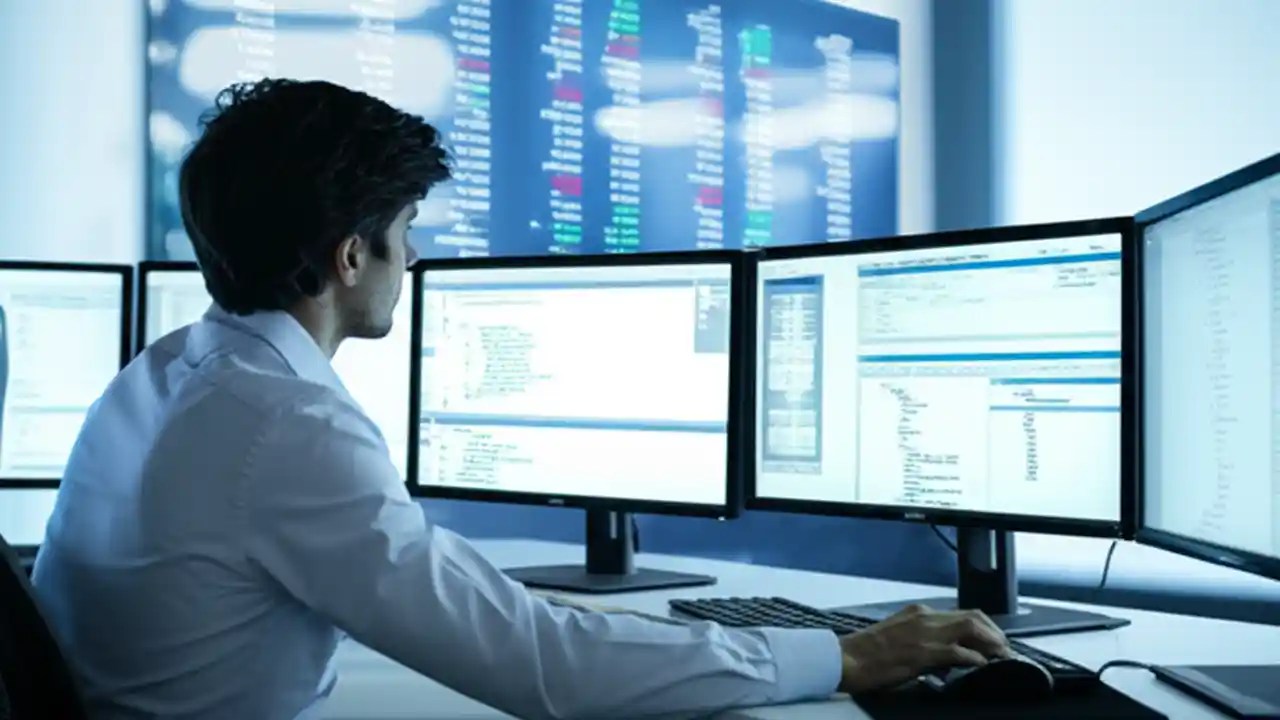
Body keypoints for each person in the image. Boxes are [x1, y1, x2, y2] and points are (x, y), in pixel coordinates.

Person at [32, 78, 1009, 720]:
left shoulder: (161, 374)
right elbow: (539, 665)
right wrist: (841, 659)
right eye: (405, 231)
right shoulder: (287, 426)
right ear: (348, 256)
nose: (411, 257)